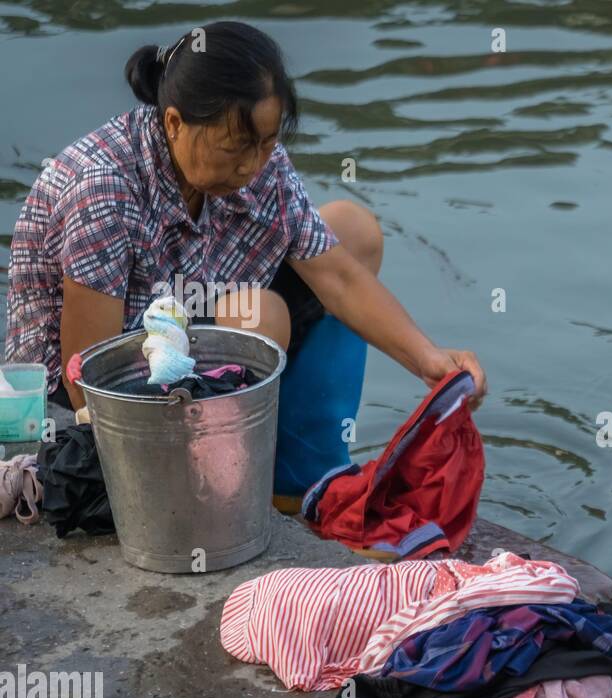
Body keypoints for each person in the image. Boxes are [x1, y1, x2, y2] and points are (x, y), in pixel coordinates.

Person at [4, 20, 485, 414]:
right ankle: (224, 471)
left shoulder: (260, 166)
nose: (252, 166)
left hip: (184, 319)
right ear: (174, 123)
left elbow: (339, 278)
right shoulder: (103, 189)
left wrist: (430, 361)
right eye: (236, 148)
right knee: (259, 315)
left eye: (267, 144)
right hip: (84, 395)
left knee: (352, 231)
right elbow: (86, 380)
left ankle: (297, 465)